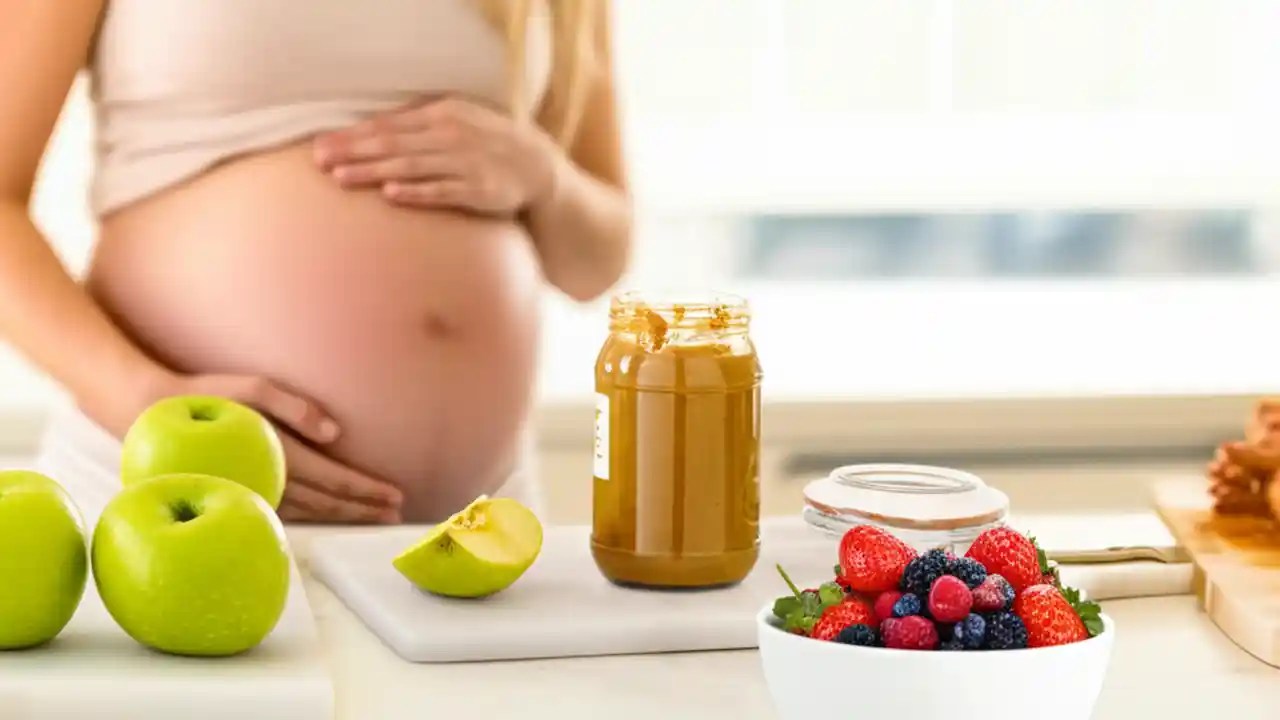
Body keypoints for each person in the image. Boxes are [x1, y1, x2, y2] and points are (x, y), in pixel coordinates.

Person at [0, 0, 631, 525]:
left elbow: (597, 263)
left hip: (474, 526)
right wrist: (141, 399)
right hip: (176, 501)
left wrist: (543, 177)